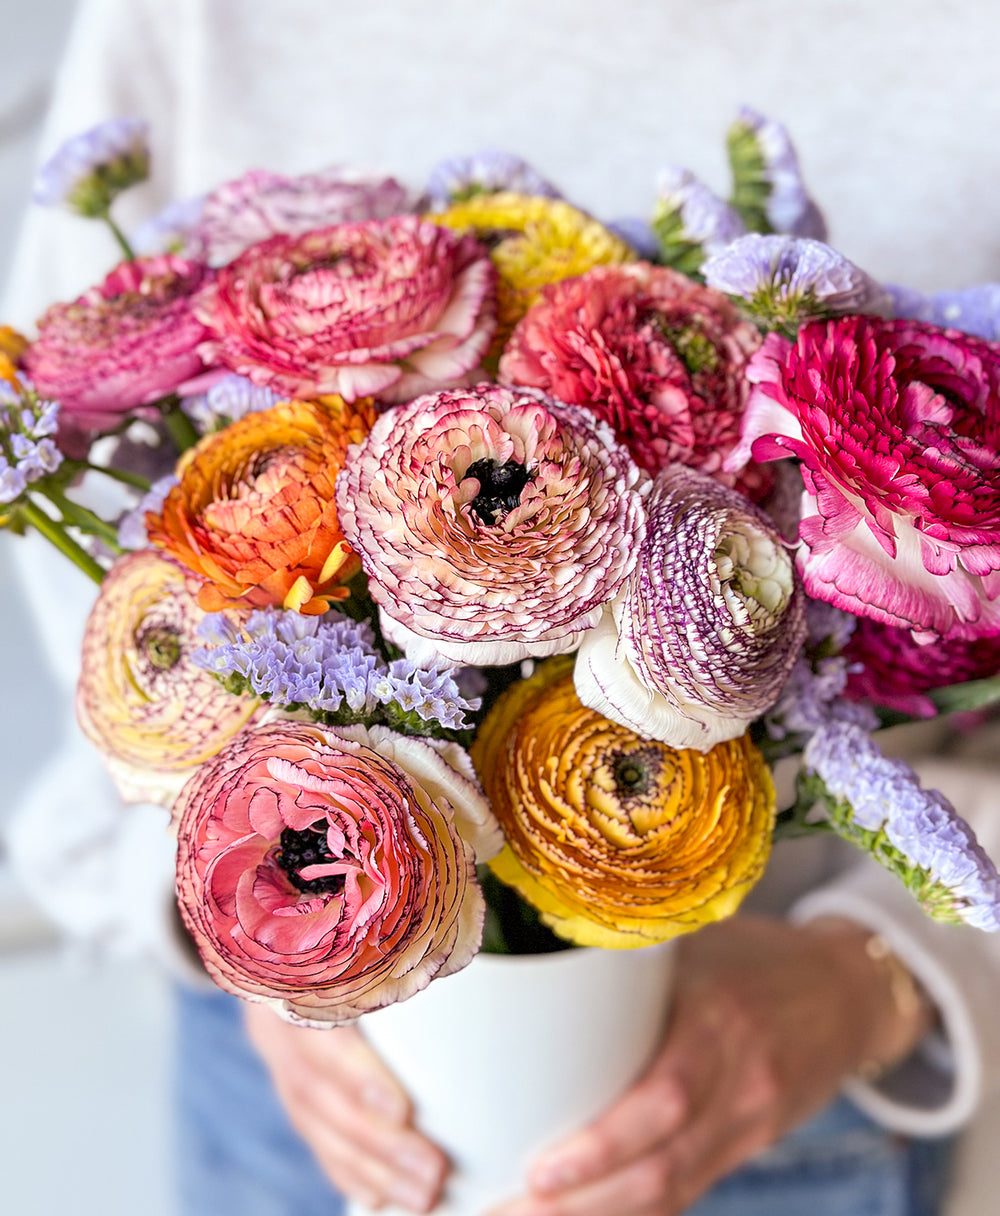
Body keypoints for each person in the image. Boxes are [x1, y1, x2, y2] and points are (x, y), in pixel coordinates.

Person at [6, 2, 1000, 1213]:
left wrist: (883, 966)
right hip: (314, 1102)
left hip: (799, 1097)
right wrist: (243, 921)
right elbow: (99, 575)